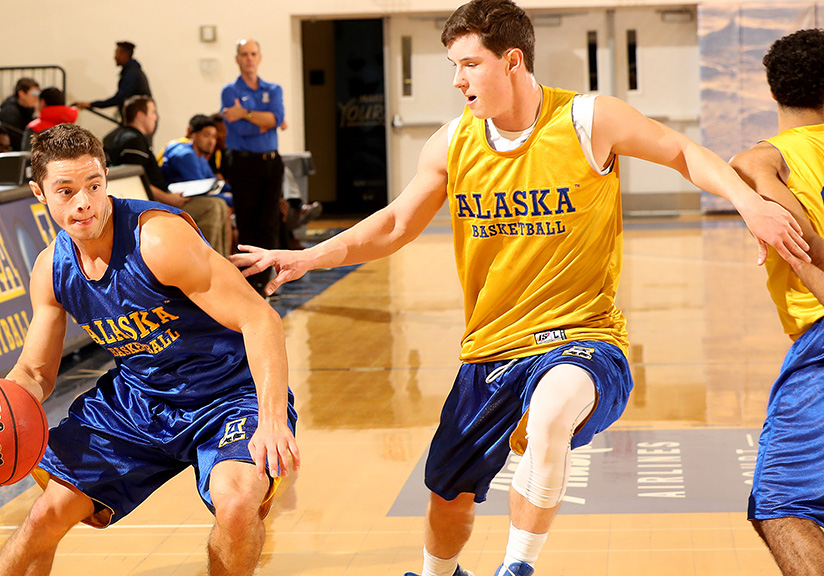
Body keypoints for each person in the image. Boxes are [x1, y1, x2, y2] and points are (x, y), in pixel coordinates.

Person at [231, 2, 811, 576]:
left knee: (553, 407)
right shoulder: (453, 143)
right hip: (490, 349)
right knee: (447, 493)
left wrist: (746, 201)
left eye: (469, 64)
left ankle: (517, 569)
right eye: (453, 66)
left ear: (512, 61)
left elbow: (682, 151)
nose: (458, 80)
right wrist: (308, 256)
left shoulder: (587, 119)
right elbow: (393, 224)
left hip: (583, 338)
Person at [0, 123, 298, 576]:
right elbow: (35, 372)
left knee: (238, 503)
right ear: (39, 192)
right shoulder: (51, 269)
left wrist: (271, 421)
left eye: (93, 184)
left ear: (107, 177)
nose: (84, 201)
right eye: (65, 191)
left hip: (227, 396)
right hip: (138, 402)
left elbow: (259, 317)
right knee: (44, 516)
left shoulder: (159, 239)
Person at [728, 29, 824, 576]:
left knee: (783, 504)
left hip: (819, 337)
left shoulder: (764, 161)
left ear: (772, 91)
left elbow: (797, 238)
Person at [104, 96, 231, 261]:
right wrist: (169, 198)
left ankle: (222, 263)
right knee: (213, 206)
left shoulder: (132, 138)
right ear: (141, 116)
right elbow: (135, 184)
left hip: (159, 200)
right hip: (151, 207)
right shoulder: (133, 140)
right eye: (153, 113)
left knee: (220, 205)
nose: (156, 118)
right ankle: (209, 265)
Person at [221, 38, 285, 296]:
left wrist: (246, 113)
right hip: (244, 163)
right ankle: (250, 282)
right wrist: (263, 121)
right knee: (248, 223)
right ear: (237, 58)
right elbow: (240, 129)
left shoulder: (273, 89)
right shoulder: (229, 91)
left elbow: (277, 118)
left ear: (260, 57)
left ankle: (268, 279)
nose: (249, 58)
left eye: (253, 54)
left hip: (271, 162)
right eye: (244, 54)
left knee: (269, 221)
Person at [160, 113, 233, 256]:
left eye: (214, 136)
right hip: (172, 202)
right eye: (206, 136)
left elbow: (215, 184)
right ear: (193, 134)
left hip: (190, 200)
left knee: (222, 205)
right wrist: (234, 200)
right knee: (216, 205)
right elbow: (203, 189)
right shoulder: (185, 154)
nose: (211, 141)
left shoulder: (200, 158)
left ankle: (222, 262)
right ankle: (208, 262)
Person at [74, 41, 151, 116]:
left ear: (124, 54)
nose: (115, 57)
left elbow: (119, 98)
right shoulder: (133, 71)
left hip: (139, 119)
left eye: (116, 54)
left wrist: (91, 104)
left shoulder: (131, 74)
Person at [0, 77, 38, 150]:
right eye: (33, 94)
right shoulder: (10, 113)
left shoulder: (27, 110)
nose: (36, 98)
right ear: (21, 94)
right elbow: (17, 140)